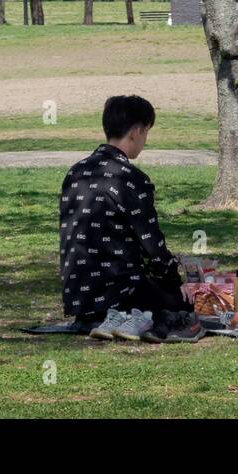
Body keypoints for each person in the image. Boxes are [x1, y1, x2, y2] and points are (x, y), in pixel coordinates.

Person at [59, 95, 203, 342]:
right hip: (121, 292)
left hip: (80, 299)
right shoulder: (130, 178)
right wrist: (175, 279)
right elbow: (151, 246)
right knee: (193, 303)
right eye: (146, 133)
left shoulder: (75, 173)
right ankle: (137, 316)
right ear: (136, 131)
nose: (144, 141)